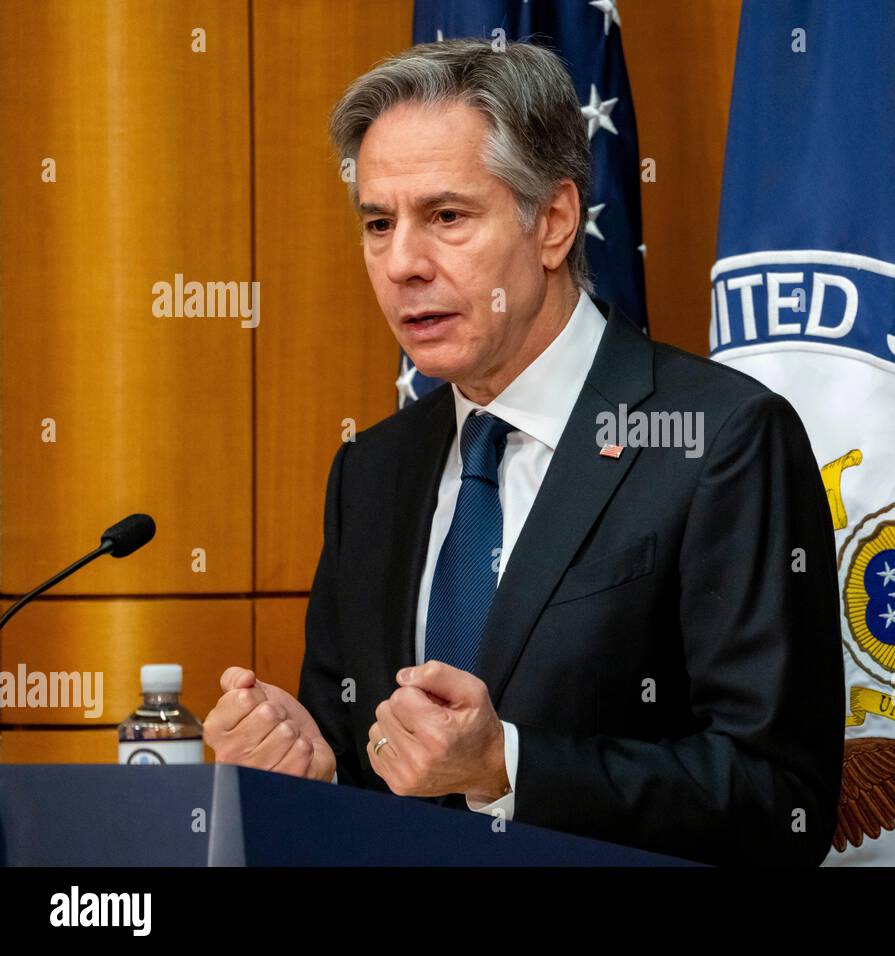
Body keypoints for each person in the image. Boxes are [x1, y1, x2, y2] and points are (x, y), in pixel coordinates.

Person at [202, 38, 844, 866]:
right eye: (377, 224)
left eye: (446, 217)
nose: (402, 264)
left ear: (553, 221)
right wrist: (313, 771)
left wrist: (511, 767)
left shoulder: (719, 438)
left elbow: (778, 798)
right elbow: (381, 771)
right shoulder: (372, 472)